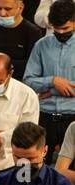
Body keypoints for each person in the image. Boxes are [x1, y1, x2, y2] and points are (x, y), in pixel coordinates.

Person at [23, 0, 75, 157]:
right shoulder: (41, 45)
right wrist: (53, 81)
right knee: (36, 168)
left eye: (65, 28)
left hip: (73, 118)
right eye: (55, 29)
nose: (60, 33)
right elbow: (28, 81)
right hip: (44, 116)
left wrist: (51, 90)